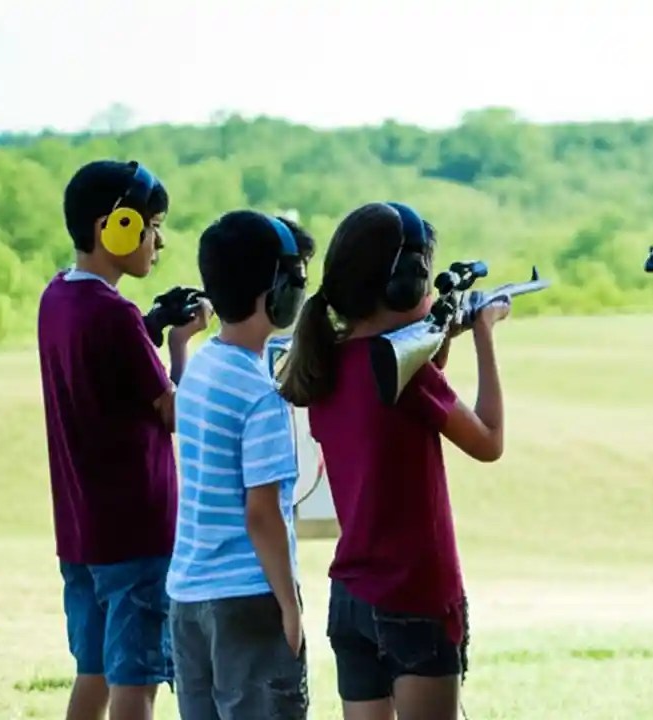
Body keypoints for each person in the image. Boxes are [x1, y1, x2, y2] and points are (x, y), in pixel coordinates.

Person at [276, 201, 510, 720]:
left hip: (352, 599)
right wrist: (487, 336)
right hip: (416, 595)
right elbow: (489, 441)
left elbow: (390, 412)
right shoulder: (407, 376)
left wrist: (439, 338)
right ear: (402, 284)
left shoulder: (328, 364)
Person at [38, 159, 211, 720]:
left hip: (82, 530)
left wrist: (150, 324)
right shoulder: (116, 316)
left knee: (94, 672)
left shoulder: (57, 297)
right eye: (151, 223)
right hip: (137, 533)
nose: (157, 239)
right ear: (113, 226)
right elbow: (175, 412)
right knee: (135, 681)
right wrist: (181, 343)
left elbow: (105, 372)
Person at [165, 210, 316, 719]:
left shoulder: (202, 366)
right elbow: (263, 514)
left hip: (187, 599)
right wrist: (290, 604)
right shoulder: (259, 395)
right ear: (274, 290)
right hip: (248, 599)